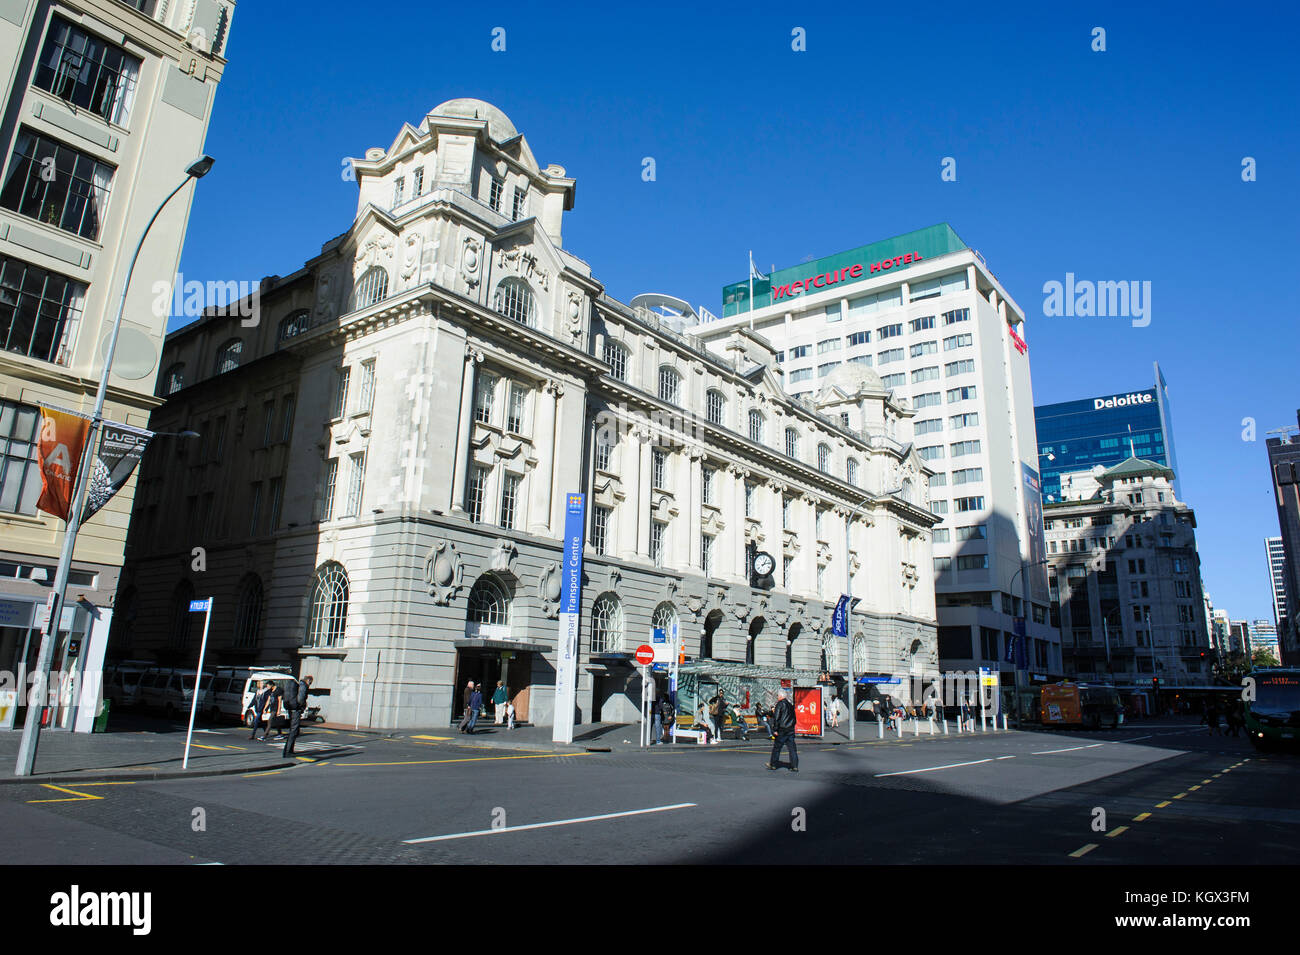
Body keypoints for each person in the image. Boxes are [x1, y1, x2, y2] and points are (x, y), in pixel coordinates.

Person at [767, 690, 798, 773]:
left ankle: (773, 764)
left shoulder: (780, 704)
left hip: (782, 730)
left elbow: (776, 717)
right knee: (792, 749)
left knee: (777, 748)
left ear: (780, 696)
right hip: (790, 730)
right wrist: (791, 726)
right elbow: (794, 718)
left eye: (778, 696)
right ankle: (794, 766)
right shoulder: (790, 705)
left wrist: (775, 729)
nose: (777, 697)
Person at [282, 675, 313, 757]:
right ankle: (288, 752)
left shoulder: (299, 684)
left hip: (290, 708)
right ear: (308, 681)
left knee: (293, 730)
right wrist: (302, 706)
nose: (310, 684)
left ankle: (289, 750)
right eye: (311, 682)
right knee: (294, 731)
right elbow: (300, 699)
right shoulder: (303, 686)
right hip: (296, 710)